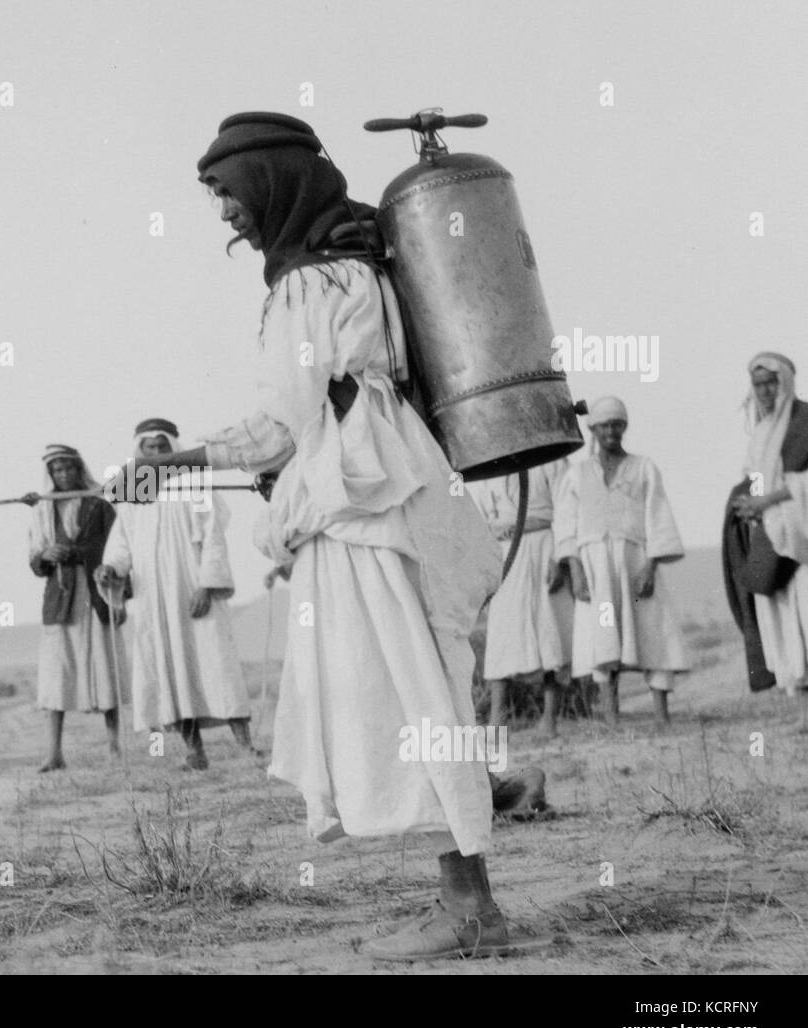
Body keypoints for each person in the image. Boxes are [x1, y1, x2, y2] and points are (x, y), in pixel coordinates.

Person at [110, 113, 511, 960]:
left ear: (269, 182)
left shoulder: (307, 286)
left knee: (413, 693)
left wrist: (173, 463)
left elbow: (281, 422)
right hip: (395, 487)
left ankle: (470, 906)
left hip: (366, 508)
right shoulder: (362, 267)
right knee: (422, 687)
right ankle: (466, 888)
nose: (226, 215)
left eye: (227, 193)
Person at [97, 418, 253, 770]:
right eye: (148, 449)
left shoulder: (194, 485)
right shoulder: (133, 495)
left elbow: (213, 535)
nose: (155, 454)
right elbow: (122, 546)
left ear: (173, 449)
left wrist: (207, 584)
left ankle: (246, 747)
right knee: (168, 672)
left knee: (216, 661)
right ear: (140, 452)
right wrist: (111, 570)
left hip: (192, 588)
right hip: (153, 596)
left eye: (161, 447)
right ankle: (194, 752)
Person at [554, 396, 686, 726]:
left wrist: (652, 565)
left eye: (617, 424)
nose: (611, 431)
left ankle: (661, 716)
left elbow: (658, 516)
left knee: (651, 631)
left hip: (635, 561)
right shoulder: (577, 474)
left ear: (624, 427)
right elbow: (565, 526)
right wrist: (576, 569)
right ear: (593, 430)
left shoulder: (643, 467)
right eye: (604, 425)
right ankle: (612, 717)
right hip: (594, 565)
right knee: (603, 638)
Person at [28, 444, 126, 771]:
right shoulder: (42, 509)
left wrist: (75, 552)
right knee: (57, 674)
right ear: (51, 474)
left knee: (104, 669)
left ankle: (115, 749)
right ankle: (54, 753)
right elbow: (35, 554)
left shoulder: (100, 505)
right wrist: (45, 556)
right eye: (57, 470)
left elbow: (115, 548)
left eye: (68, 468)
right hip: (60, 598)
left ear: (78, 469)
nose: (63, 475)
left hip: (95, 595)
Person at [728, 353, 808, 729]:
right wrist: (750, 504)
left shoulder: (804, 421)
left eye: (771, 383)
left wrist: (766, 500)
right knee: (784, 618)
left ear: (786, 382)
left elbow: (803, 483)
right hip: (771, 534)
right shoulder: (760, 431)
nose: (764, 391)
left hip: (802, 534)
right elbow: (755, 477)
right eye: (758, 384)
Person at [473, 459, 574, 737]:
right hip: (504, 554)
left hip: (544, 546)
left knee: (550, 631)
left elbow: (567, 506)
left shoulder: (550, 459)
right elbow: (479, 516)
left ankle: (550, 719)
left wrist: (561, 557)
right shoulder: (491, 465)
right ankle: (496, 721)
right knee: (501, 637)